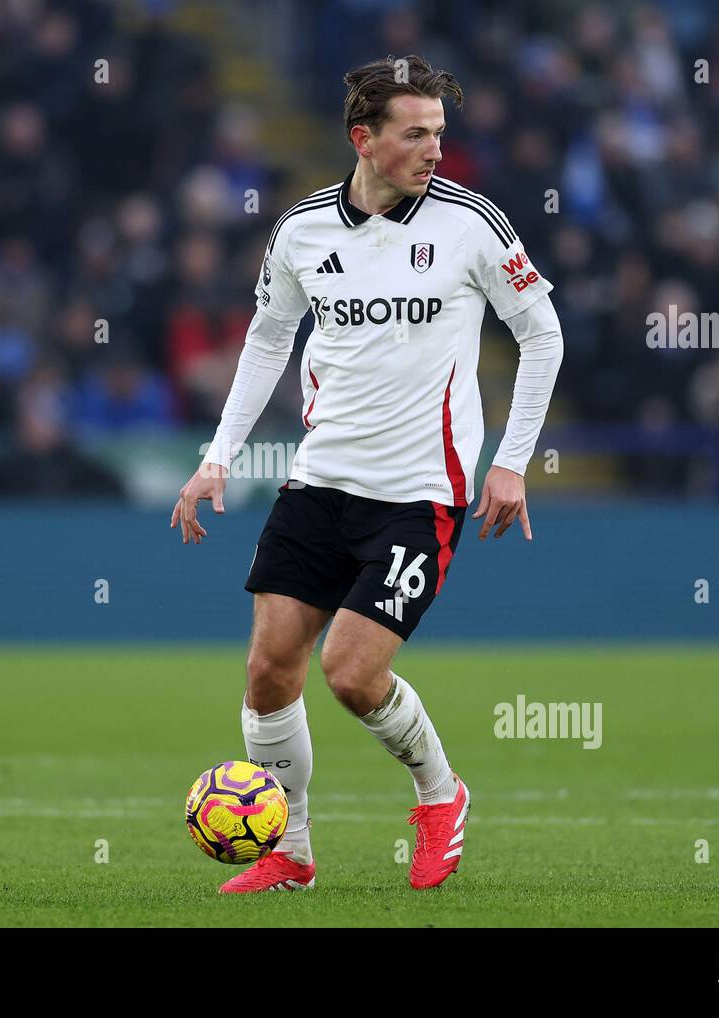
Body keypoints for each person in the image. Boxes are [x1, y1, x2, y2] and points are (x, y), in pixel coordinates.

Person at [169, 55, 564, 892]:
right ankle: (294, 849)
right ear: (364, 139)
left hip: (419, 497)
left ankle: (439, 794)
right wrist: (217, 459)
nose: (435, 151)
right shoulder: (302, 231)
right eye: (416, 134)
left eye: (440, 134)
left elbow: (544, 335)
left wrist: (511, 464)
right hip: (318, 482)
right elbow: (269, 340)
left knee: (350, 672)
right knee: (270, 667)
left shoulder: (471, 224)